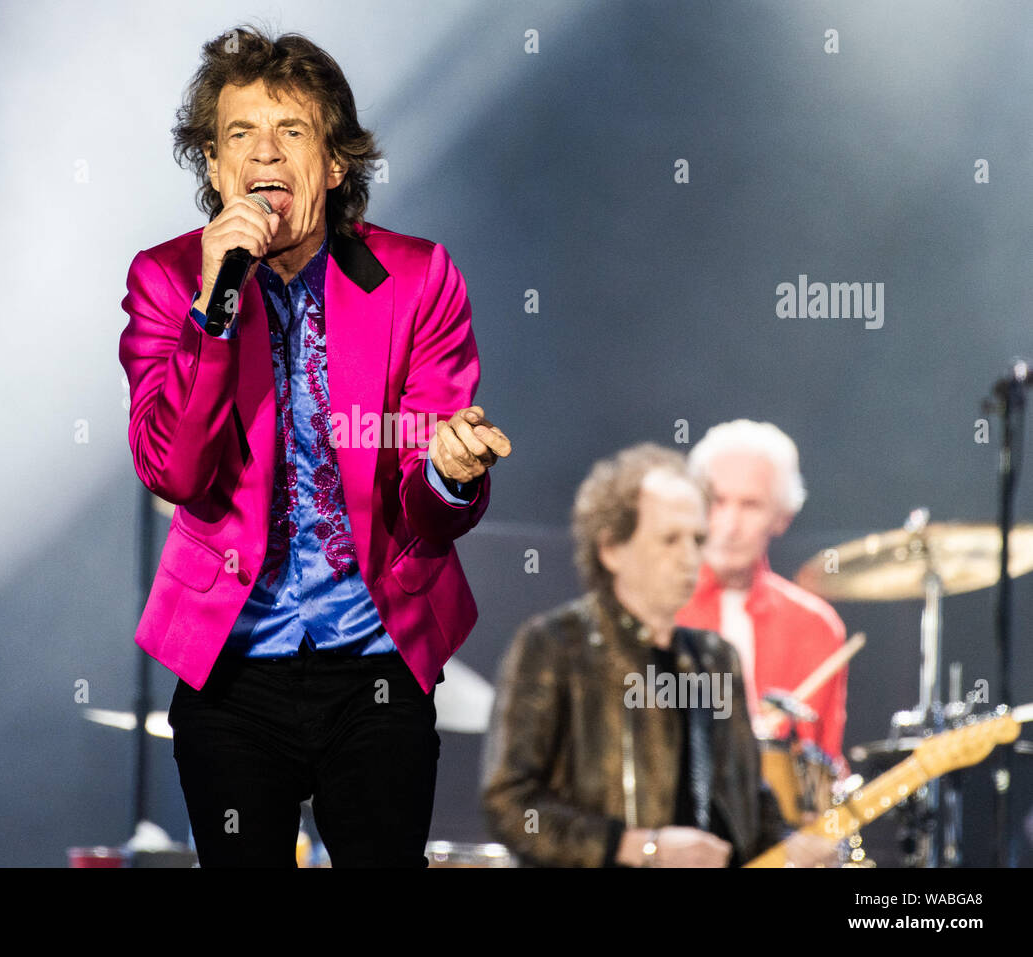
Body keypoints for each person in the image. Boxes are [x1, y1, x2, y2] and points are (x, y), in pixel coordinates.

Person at [118, 26, 511, 867]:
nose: (265, 153)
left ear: (333, 164)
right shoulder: (166, 280)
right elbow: (175, 470)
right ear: (216, 171)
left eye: (291, 131)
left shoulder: (418, 278)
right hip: (229, 662)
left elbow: (430, 510)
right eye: (239, 136)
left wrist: (445, 474)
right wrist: (212, 312)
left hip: (375, 652)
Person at [481, 443, 822, 867]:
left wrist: (788, 848)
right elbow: (510, 804)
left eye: (698, 539)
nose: (690, 558)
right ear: (611, 549)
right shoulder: (554, 645)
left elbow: (749, 797)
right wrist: (639, 847)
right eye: (669, 540)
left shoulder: (716, 658)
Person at [674, 420, 848, 775]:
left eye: (750, 505)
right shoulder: (655, 611)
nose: (729, 524)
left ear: (782, 517)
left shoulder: (816, 627)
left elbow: (824, 768)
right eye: (717, 501)